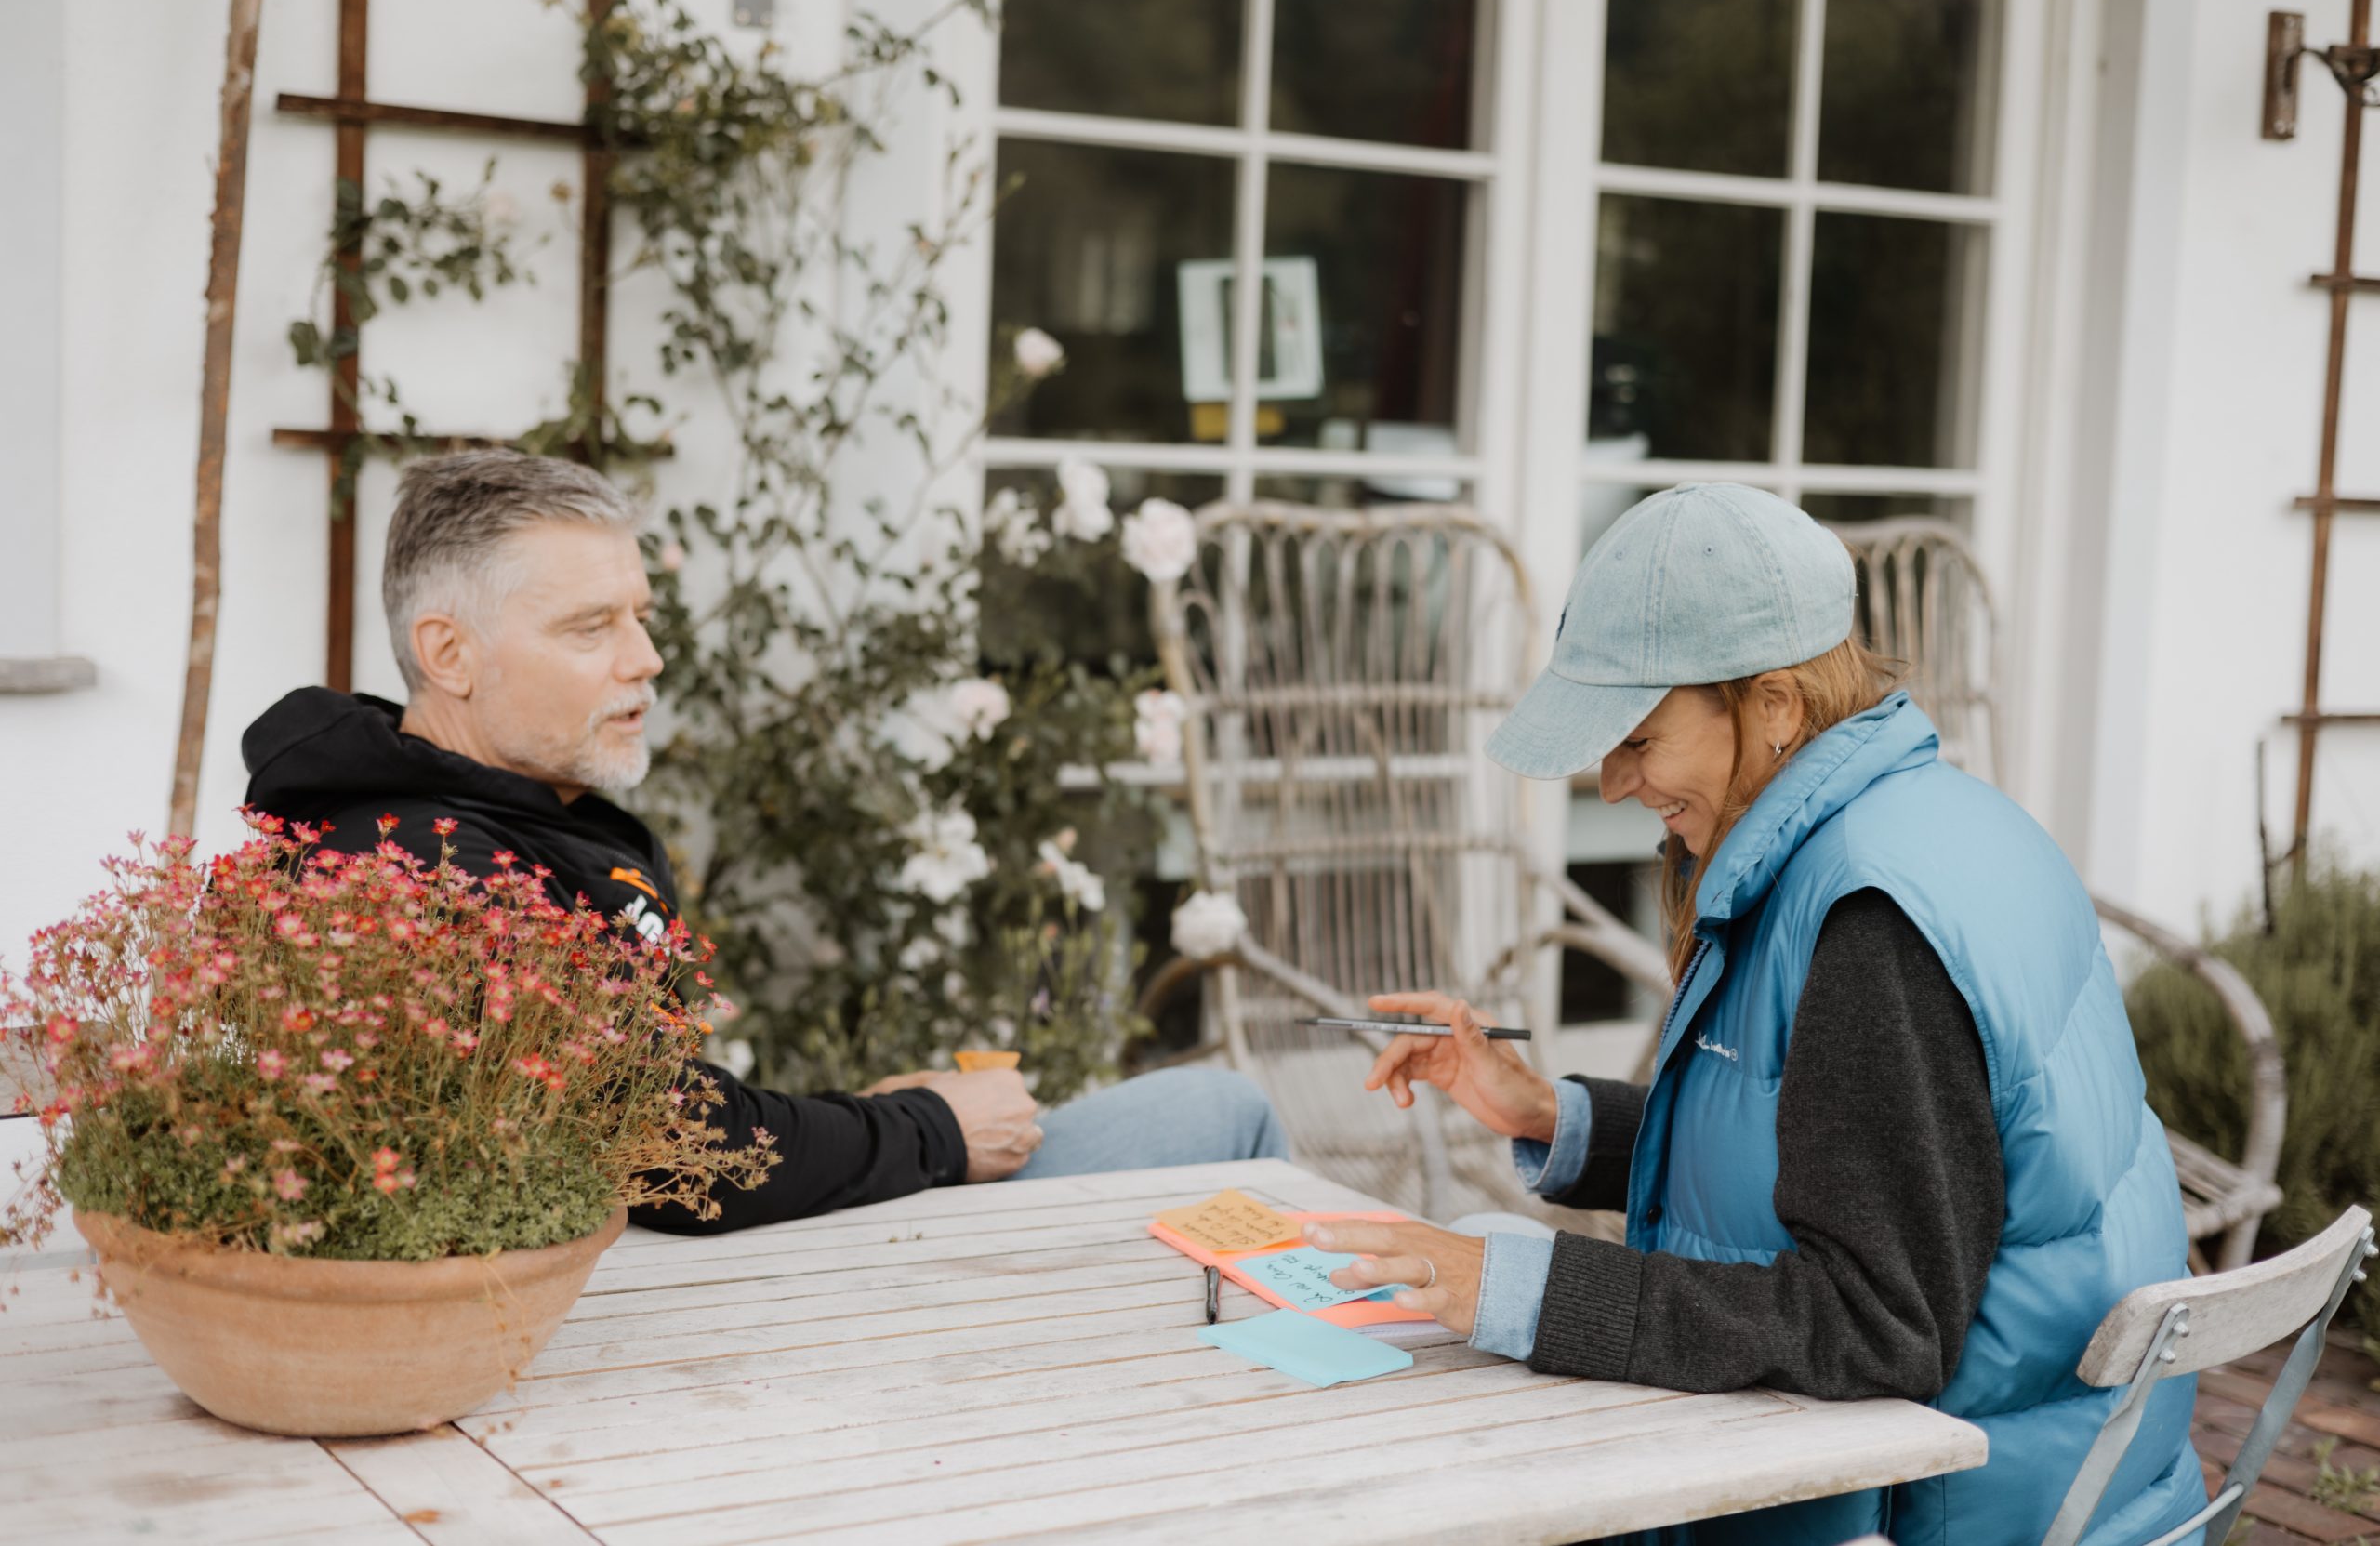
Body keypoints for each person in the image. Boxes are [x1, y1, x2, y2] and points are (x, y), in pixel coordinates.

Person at [1303, 483, 2203, 1545]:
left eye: (1638, 734)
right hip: (2073, 1482)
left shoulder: (1873, 926)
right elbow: (1858, 1165)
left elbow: (1875, 1322)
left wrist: (1517, 1288)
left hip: (1933, 1513)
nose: (1611, 780)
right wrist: (1552, 1117)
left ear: (1774, 703)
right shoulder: (1942, 823)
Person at [242, 450, 1287, 1232]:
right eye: (590, 627)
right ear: (448, 653)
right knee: (1223, 1111)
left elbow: (659, 1116)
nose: (646, 658)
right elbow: (670, 1157)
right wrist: (930, 1131)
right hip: (682, 1297)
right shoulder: (424, 866)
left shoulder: (512, 815)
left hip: (699, 1239)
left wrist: (859, 1122)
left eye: (642, 617)